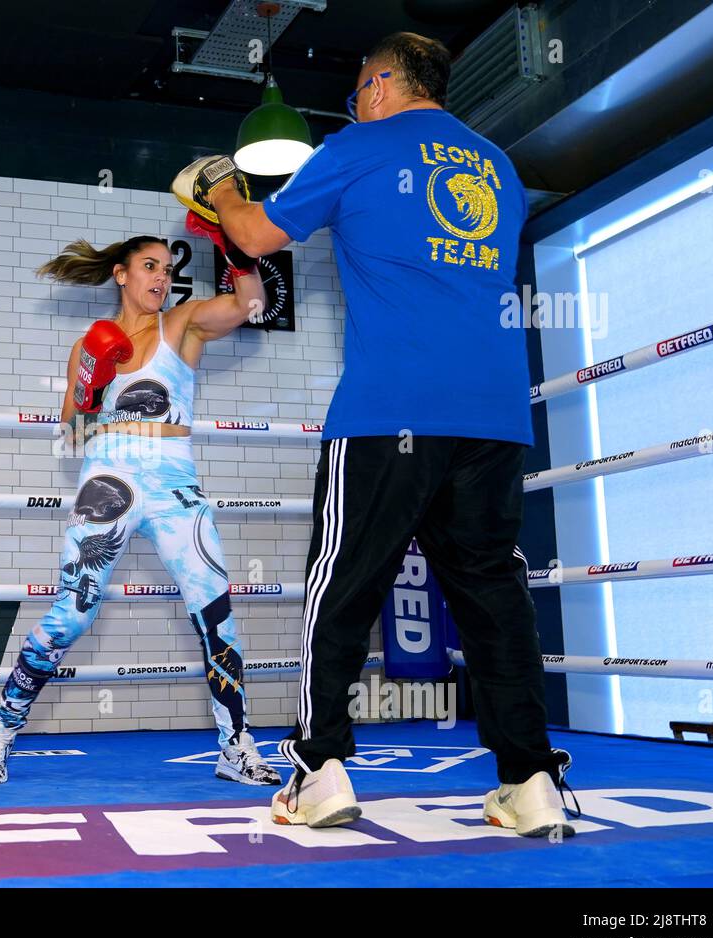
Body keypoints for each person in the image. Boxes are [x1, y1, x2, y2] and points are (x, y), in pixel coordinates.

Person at [173, 31, 574, 837]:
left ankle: (320, 771)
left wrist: (218, 186)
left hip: (393, 411)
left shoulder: (360, 144)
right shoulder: (496, 166)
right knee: (494, 596)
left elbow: (254, 235)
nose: (355, 101)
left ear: (386, 83)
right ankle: (530, 780)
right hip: (495, 416)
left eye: (360, 86)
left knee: (343, 587)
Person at [0, 225, 282, 787]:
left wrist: (234, 245)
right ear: (121, 274)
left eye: (168, 270)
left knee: (217, 614)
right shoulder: (90, 343)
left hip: (173, 479)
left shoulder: (182, 325)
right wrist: (92, 386)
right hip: (109, 470)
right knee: (73, 612)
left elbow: (251, 304)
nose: (162, 278)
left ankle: (236, 747)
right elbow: (71, 436)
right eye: (150, 266)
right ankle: (0, 732)